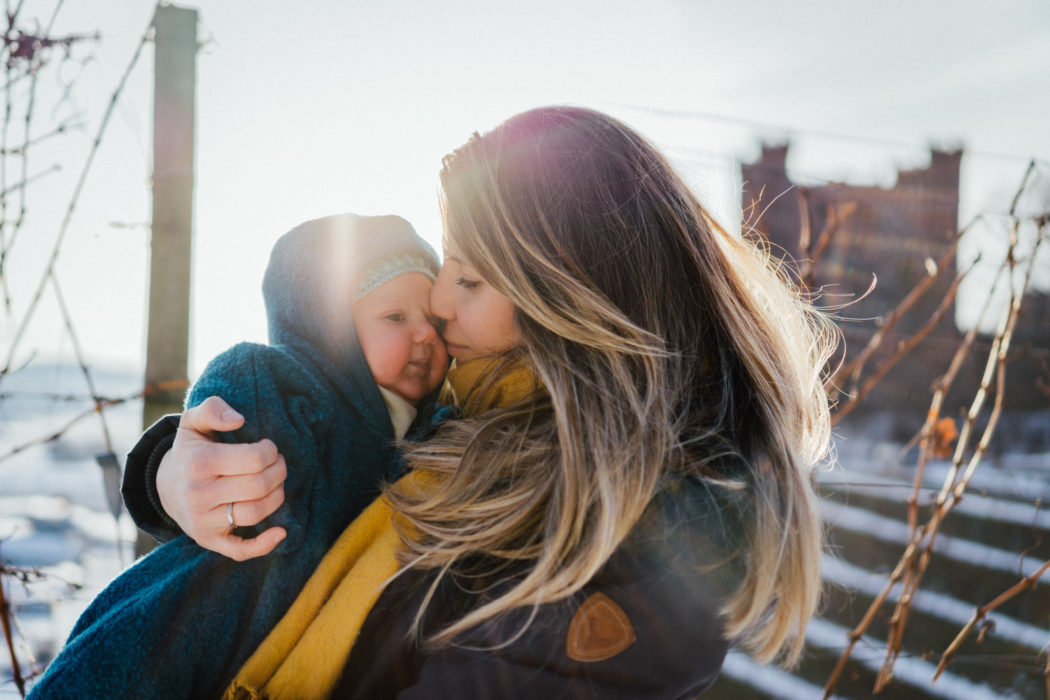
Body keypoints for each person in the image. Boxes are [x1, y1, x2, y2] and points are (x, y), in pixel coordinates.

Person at [115, 106, 835, 699]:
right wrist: (173, 474)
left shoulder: (641, 543)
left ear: (569, 297)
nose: (436, 303)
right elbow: (335, 450)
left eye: (470, 281)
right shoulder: (491, 438)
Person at [27, 213, 448, 699]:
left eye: (434, 319)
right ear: (332, 328)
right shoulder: (299, 388)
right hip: (196, 614)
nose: (426, 334)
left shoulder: (429, 424)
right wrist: (195, 457)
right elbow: (233, 402)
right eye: (396, 317)